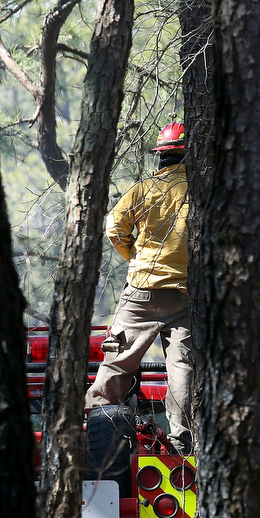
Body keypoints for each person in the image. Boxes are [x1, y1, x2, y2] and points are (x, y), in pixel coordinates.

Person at [86, 121, 194, 455]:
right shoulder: (200, 190)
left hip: (142, 292)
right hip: (184, 294)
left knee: (119, 362)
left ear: (160, 157)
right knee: (181, 367)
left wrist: (134, 257)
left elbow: (114, 228)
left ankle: (95, 427)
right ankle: (180, 439)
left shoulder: (143, 189)